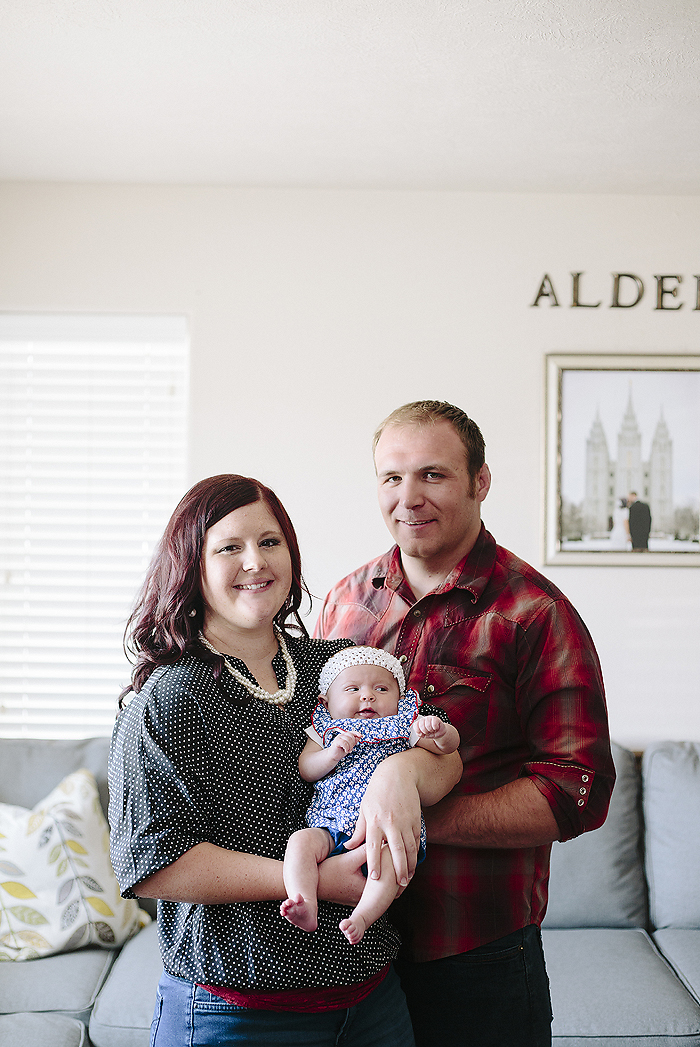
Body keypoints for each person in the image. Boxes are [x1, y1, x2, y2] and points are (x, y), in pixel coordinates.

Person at [108, 474, 461, 1047]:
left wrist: (403, 772)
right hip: (236, 1014)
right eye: (229, 548)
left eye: (270, 543)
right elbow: (150, 866)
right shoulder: (172, 698)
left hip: (372, 998)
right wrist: (310, 882)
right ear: (190, 566)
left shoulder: (340, 668)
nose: (255, 561)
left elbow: (447, 761)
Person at [315, 401, 616, 1047]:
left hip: (478, 959)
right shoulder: (343, 603)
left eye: (433, 475)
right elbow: (307, 747)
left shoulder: (536, 613)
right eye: (391, 478)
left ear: (480, 482)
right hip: (350, 955)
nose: (408, 497)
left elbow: (577, 790)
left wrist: (411, 817)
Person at [281, 646, 460, 945]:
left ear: (399, 697)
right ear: (325, 701)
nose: (367, 696)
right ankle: (304, 901)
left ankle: (363, 915)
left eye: (381, 688)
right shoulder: (325, 729)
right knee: (299, 842)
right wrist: (332, 754)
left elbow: (448, 751)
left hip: (389, 828)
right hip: (331, 822)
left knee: (390, 864)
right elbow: (306, 768)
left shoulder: (403, 724)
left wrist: (440, 733)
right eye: (353, 689)